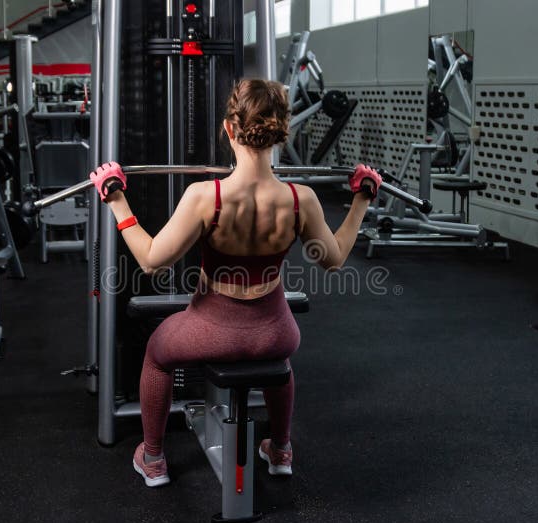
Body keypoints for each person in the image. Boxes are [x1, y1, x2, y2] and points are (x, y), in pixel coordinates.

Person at [89, 78, 382, 487]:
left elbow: (151, 260)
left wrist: (117, 200)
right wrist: (362, 201)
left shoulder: (204, 196)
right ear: (283, 131)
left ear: (230, 129)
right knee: (281, 365)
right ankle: (280, 449)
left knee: (157, 353)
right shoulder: (301, 199)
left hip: (210, 331)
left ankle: (153, 458)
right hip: (276, 333)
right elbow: (333, 261)